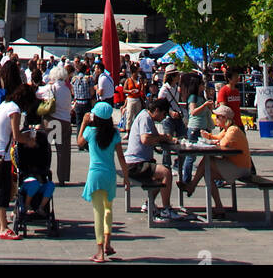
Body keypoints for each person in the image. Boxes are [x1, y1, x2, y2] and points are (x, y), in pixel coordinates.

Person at [79, 102, 129, 262]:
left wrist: (83, 123)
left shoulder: (90, 132)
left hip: (95, 175)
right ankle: (108, 243)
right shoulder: (114, 135)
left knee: (98, 213)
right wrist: (126, 177)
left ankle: (99, 251)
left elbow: (79, 142)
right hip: (110, 175)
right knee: (108, 209)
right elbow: (121, 157)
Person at [123, 96, 179, 220]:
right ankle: (166, 209)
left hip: (140, 161)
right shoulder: (145, 118)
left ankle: (149, 203)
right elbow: (145, 139)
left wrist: (164, 137)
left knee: (160, 173)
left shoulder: (147, 118)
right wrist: (163, 138)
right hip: (135, 164)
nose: (163, 118)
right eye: (163, 114)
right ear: (157, 110)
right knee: (166, 173)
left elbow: (154, 136)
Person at [0, 84, 26, 239]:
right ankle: (4, 228)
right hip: (3, 155)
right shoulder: (14, 110)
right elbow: (16, 136)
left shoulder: (3, 105)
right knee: (3, 189)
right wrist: (29, 141)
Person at [199, 103, 252, 216]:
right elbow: (217, 138)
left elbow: (222, 143)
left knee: (206, 163)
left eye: (218, 117)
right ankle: (219, 207)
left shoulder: (233, 130)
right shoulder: (226, 130)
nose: (216, 119)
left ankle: (192, 186)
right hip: (234, 164)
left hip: (240, 167)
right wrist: (208, 136)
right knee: (207, 172)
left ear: (225, 118)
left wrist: (213, 141)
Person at [38, 64, 73, 184]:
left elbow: (37, 93)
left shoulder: (51, 88)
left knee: (46, 149)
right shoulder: (67, 89)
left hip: (52, 120)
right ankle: (62, 177)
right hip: (65, 122)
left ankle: (44, 173)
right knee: (63, 151)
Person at [216, 67, 244, 133]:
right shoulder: (223, 91)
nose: (237, 78)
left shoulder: (236, 91)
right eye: (235, 76)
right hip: (228, 124)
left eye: (237, 76)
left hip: (238, 122)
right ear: (229, 78)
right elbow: (223, 109)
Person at [72, 64, 95, 137]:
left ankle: (79, 141)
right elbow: (92, 92)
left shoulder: (74, 79)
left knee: (79, 124)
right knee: (87, 124)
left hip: (78, 103)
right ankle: (86, 141)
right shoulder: (88, 79)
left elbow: (72, 92)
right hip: (86, 102)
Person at [122, 64, 145, 132]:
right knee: (129, 115)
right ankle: (128, 131)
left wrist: (142, 84)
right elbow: (124, 90)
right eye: (135, 72)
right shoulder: (128, 80)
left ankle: (137, 130)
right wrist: (130, 91)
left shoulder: (139, 80)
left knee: (137, 116)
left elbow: (142, 91)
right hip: (130, 99)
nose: (137, 74)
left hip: (137, 99)